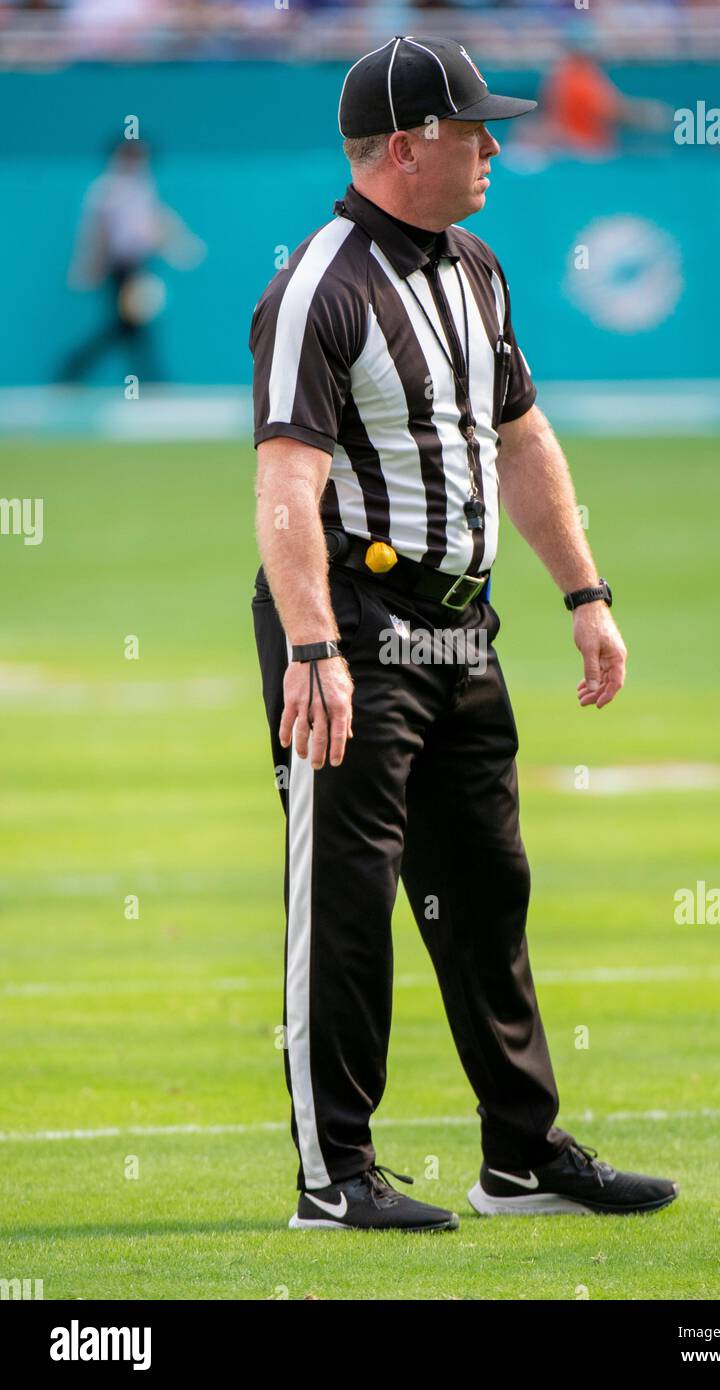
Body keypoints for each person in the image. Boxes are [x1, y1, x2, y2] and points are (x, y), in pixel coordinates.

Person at [250, 35, 679, 1232]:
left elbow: (522, 439)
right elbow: (286, 487)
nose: (493, 144)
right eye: (469, 128)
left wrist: (584, 595)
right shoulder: (319, 288)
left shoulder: (475, 267)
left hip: (458, 627)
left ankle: (519, 1155)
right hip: (353, 626)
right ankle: (334, 1175)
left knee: (487, 888)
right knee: (344, 896)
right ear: (403, 145)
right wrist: (312, 649)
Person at [60, 139, 205, 383]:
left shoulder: (142, 186)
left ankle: (147, 379)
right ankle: (79, 367)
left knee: (133, 324)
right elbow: (98, 231)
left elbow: (155, 221)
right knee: (127, 324)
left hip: (140, 266)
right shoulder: (107, 188)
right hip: (120, 269)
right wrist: (90, 265)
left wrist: (178, 246)